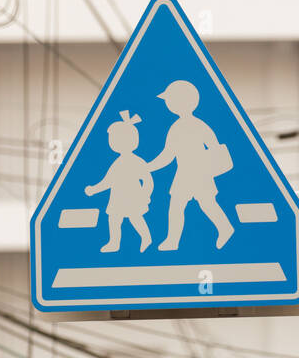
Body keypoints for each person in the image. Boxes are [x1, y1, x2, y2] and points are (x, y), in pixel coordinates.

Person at [149, 80, 235, 250]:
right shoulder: (190, 125)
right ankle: (175, 240)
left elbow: (168, 155)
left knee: (183, 206)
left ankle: (174, 241)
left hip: (195, 174)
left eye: (170, 100)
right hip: (190, 174)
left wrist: (147, 167)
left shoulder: (182, 127)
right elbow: (212, 145)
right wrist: (149, 166)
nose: (168, 104)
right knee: (196, 205)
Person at [84, 111, 153, 252]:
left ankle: (146, 238)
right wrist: (94, 189)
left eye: (115, 139)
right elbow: (108, 181)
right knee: (114, 219)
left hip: (133, 196)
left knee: (135, 218)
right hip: (118, 198)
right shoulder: (117, 163)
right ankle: (114, 243)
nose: (112, 142)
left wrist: (145, 195)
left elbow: (148, 180)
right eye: (112, 139)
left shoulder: (137, 161)